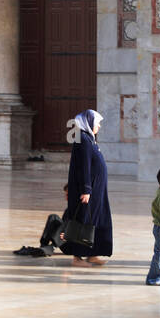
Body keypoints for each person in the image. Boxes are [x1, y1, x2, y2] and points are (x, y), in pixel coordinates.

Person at [63, 109, 112, 263]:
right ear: (89, 123)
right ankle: (77, 257)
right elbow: (84, 166)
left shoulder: (88, 138)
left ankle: (92, 254)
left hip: (97, 190)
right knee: (83, 220)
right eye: (97, 123)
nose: (99, 126)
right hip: (89, 190)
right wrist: (86, 190)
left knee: (96, 220)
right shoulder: (82, 139)